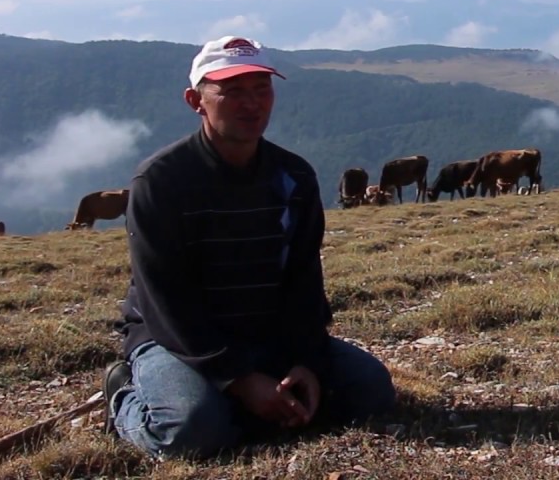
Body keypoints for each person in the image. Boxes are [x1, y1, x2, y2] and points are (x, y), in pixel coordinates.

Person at [103, 35, 397, 459]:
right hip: (176, 340)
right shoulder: (162, 182)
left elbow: (303, 281)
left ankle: (238, 409)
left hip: (267, 332)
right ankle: (125, 400)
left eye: (262, 90)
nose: (251, 104)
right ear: (195, 100)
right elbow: (165, 300)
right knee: (189, 433)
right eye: (232, 91)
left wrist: (306, 361)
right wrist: (239, 379)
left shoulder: (293, 177)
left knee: (371, 390)